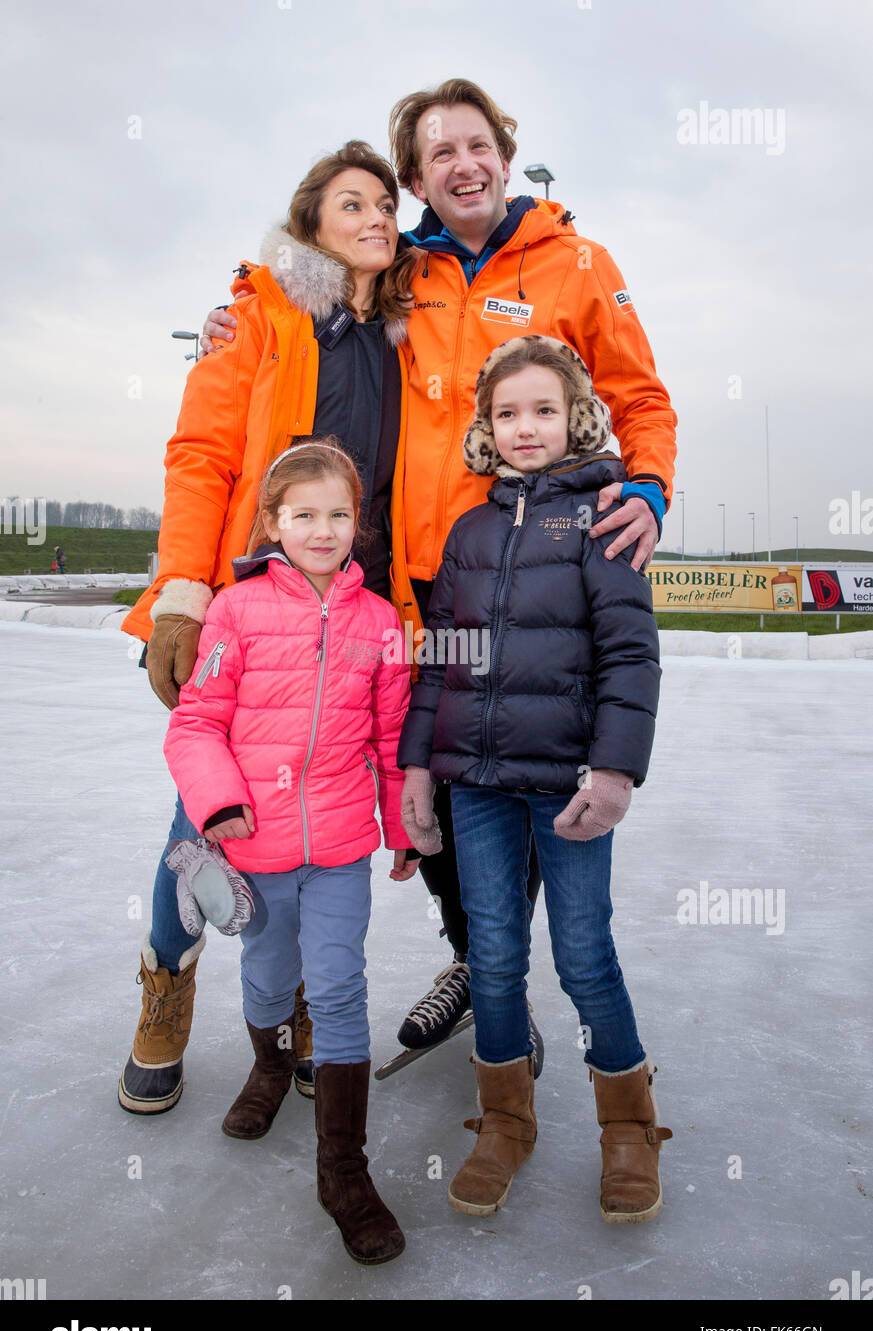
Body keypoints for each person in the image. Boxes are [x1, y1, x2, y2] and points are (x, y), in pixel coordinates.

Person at [201, 76, 677, 1056]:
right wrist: (241, 306)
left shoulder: (578, 260)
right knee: (456, 781)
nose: (463, 163)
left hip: (547, 579)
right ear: (417, 178)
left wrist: (650, 490)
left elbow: (641, 398)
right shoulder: (405, 269)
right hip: (430, 586)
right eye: (439, 154)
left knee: (539, 770)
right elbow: (309, 295)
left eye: (478, 145)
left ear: (505, 153)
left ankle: (509, 973)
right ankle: (480, 963)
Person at [118, 141, 419, 1117]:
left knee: (314, 820)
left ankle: (292, 1004)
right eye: (350, 203)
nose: (375, 215)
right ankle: (168, 981)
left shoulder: (409, 338)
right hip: (248, 603)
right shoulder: (260, 316)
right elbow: (200, 453)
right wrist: (179, 593)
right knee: (203, 818)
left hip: (348, 611)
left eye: (384, 202)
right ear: (311, 223)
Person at [397, 336, 672, 1223]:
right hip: (475, 785)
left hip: (569, 787)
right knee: (495, 956)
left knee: (584, 957)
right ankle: (504, 1122)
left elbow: (630, 654)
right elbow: (437, 662)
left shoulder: (604, 517)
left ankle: (627, 1128)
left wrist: (617, 770)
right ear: (484, 427)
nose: (524, 428)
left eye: (542, 410)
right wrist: (415, 768)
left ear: (574, 417)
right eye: (506, 413)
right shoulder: (470, 529)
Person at [164, 440, 416, 1265]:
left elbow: (387, 738)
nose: (323, 529)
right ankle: (270, 1067)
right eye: (304, 514)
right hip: (258, 847)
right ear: (272, 523)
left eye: (338, 515)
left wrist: (403, 827)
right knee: (269, 976)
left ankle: (342, 1170)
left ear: (358, 524)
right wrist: (220, 802)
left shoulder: (378, 622)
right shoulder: (236, 613)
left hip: (340, 844)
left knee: (340, 985)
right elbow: (196, 721)